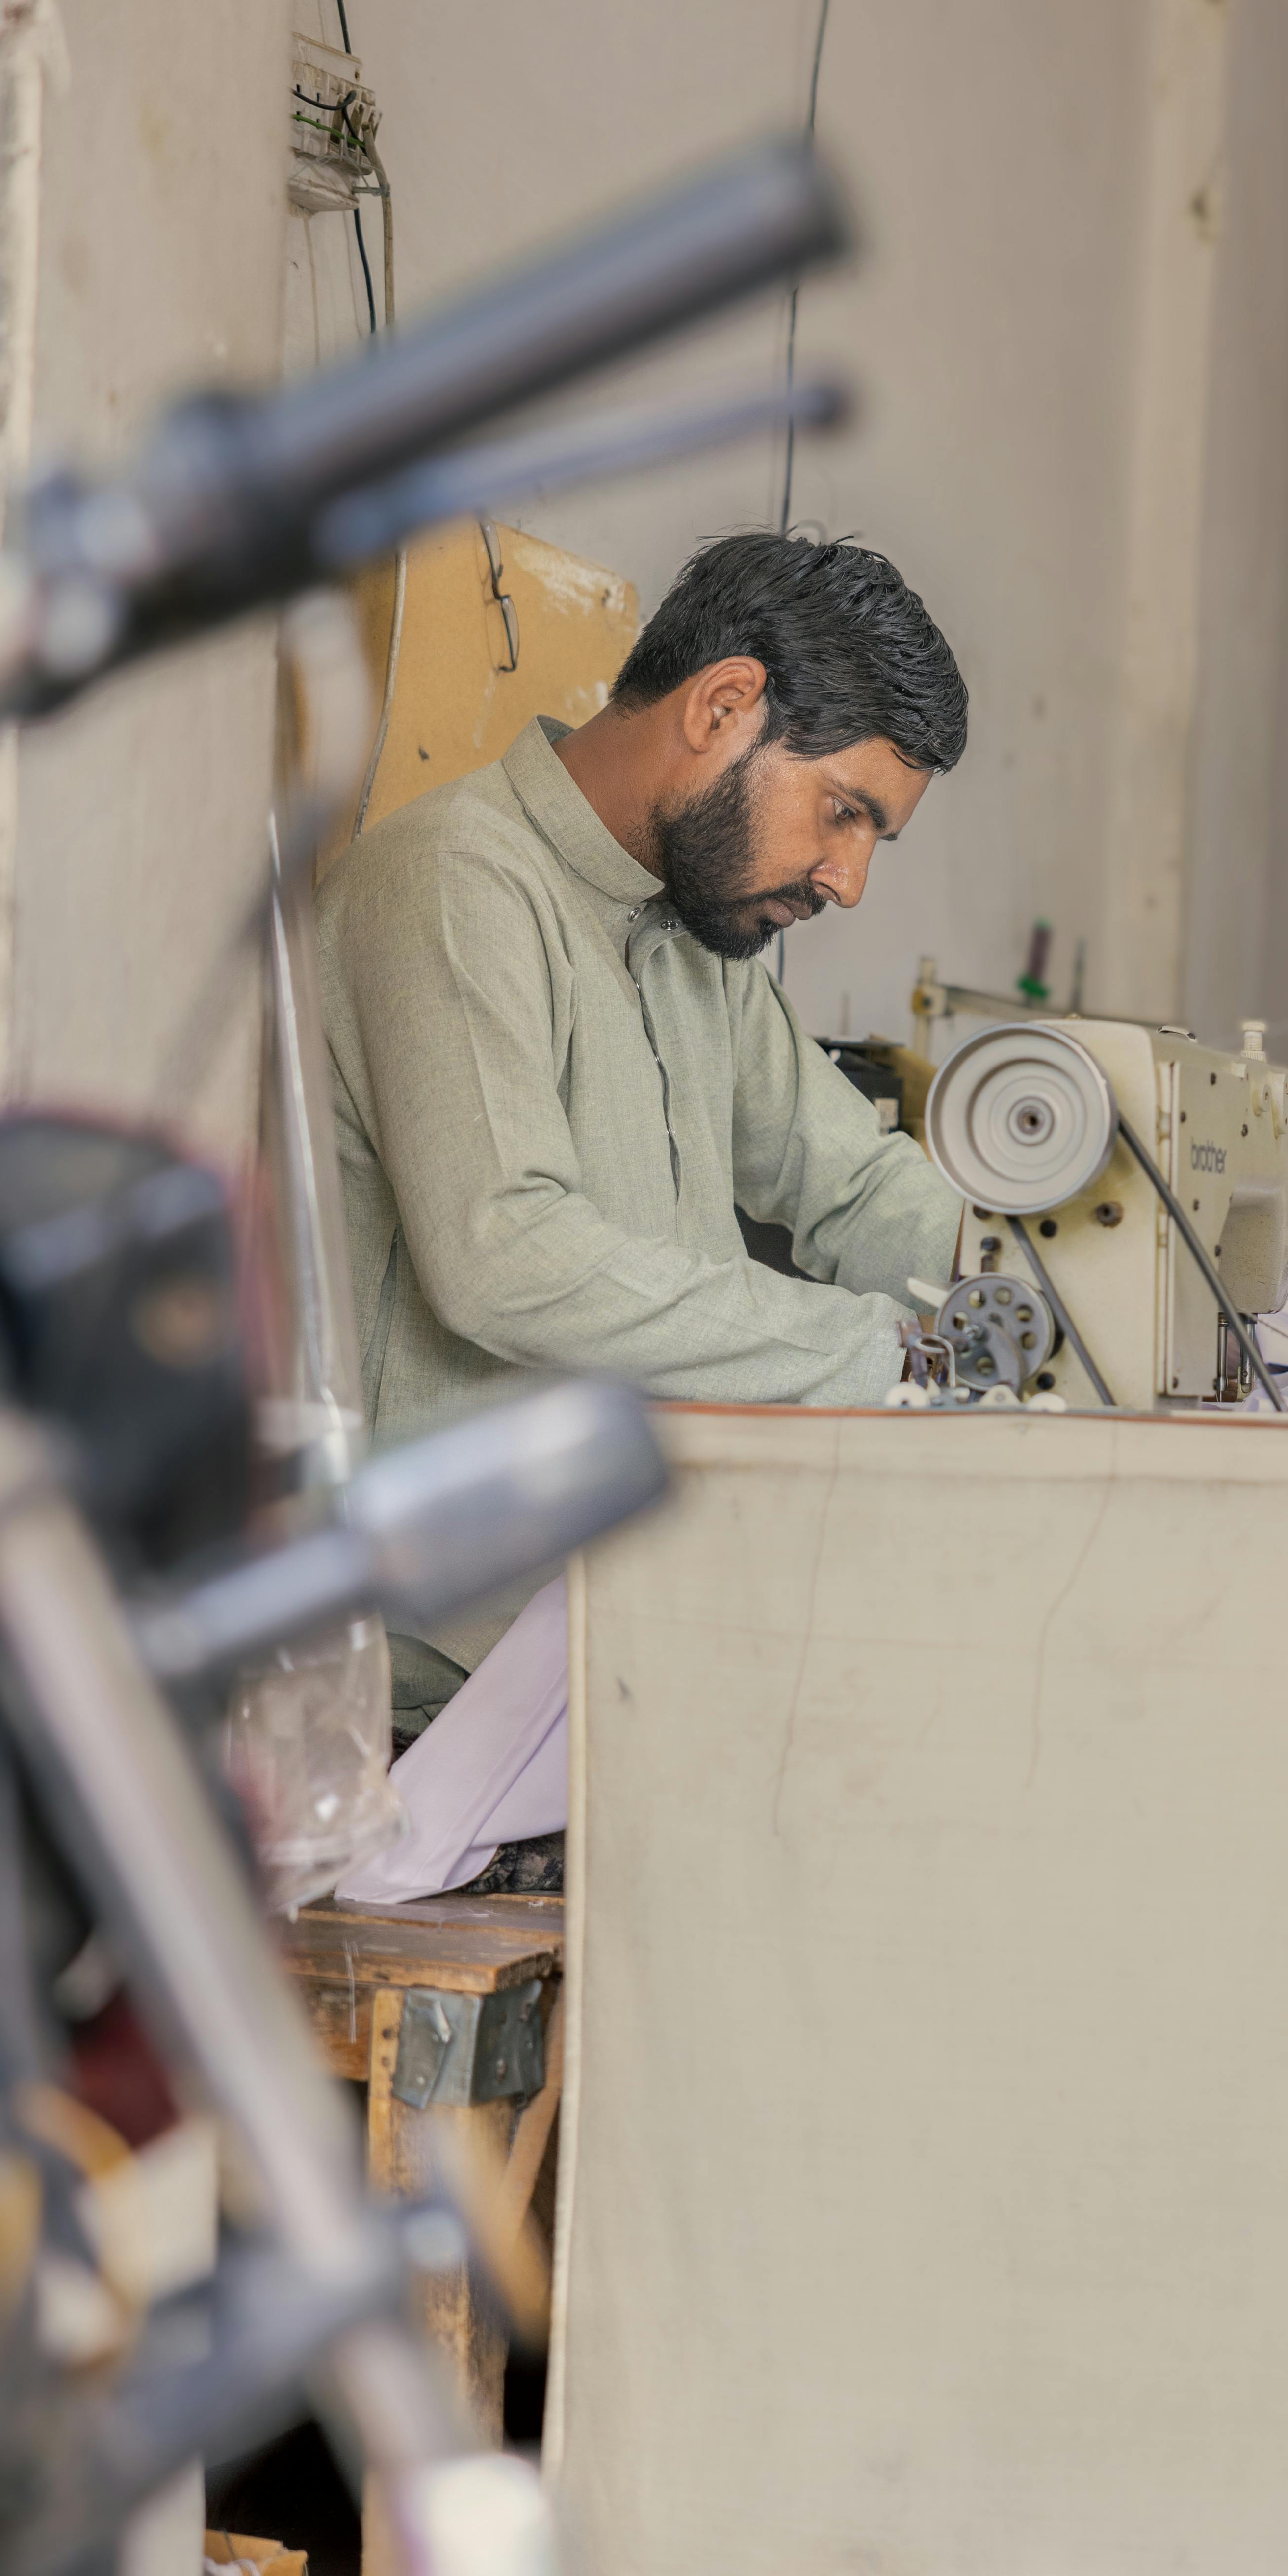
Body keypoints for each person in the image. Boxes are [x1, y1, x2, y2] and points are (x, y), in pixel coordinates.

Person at [317, 530, 968, 1744]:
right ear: (723, 705)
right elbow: (506, 1255)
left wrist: (1050, 1299)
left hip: (610, 1629)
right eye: (842, 813)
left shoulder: (693, 936)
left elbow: (851, 1187)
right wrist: (895, 1358)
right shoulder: (458, 883)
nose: (848, 880)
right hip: (435, 1684)